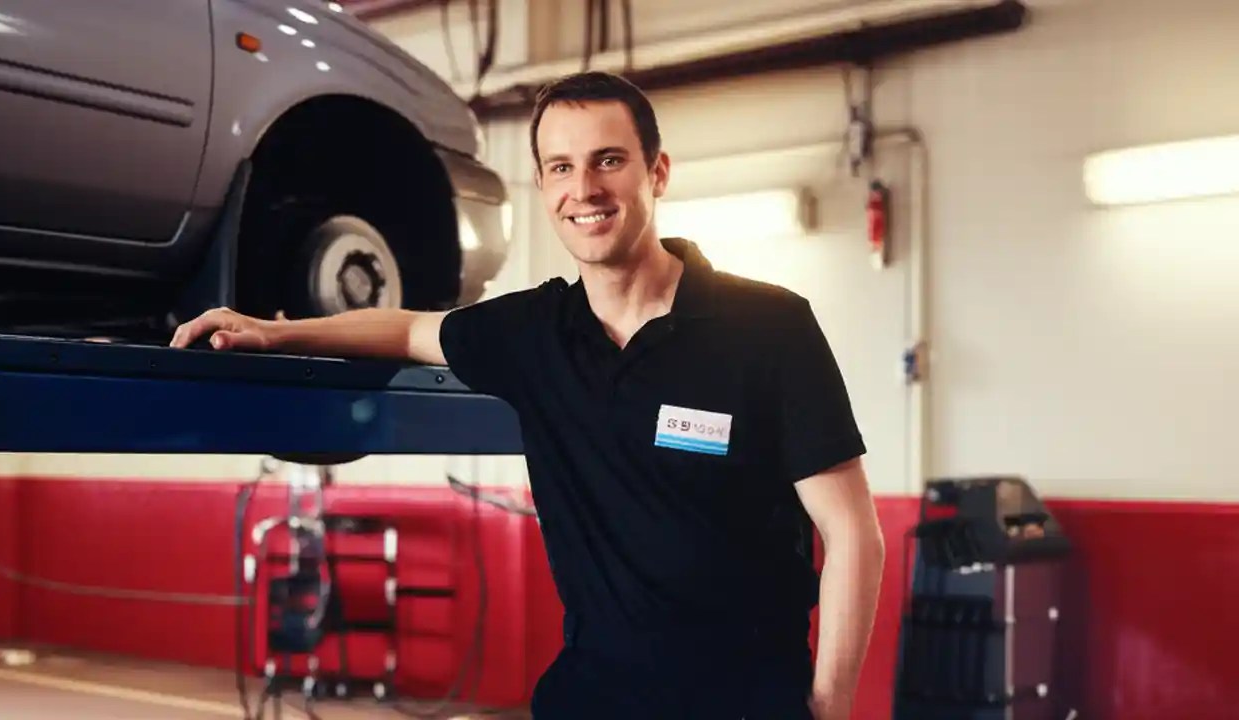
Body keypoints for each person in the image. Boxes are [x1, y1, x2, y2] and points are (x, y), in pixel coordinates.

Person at [172, 71, 885, 720]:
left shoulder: (769, 326)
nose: (586, 189)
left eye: (609, 160)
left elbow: (853, 531)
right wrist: (274, 330)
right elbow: (407, 328)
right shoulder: (533, 331)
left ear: (656, 171)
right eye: (561, 168)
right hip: (593, 700)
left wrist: (830, 702)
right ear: (544, 187)